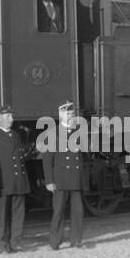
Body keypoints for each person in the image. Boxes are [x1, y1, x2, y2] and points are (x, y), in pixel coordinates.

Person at [0, 104, 30, 253]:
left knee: (18, 212)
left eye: (12, 116)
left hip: (17, 179)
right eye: (8, 116)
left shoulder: (15, 135)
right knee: (3, 214)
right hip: (3, 182)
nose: (11, 119)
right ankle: (2, 242)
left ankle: (16, 241)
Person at [43, 101, 85, 249]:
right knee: (58, 212)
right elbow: (47, 160)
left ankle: (76, 240)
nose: (70, 116)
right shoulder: (53, 133)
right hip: (60, 179)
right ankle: (55, 242)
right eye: (67, 113)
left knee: (78, 211)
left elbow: (82, 157)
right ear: (61, 115)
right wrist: (49, 181)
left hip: (75, 178)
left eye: (72, 114)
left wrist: (82, 180)